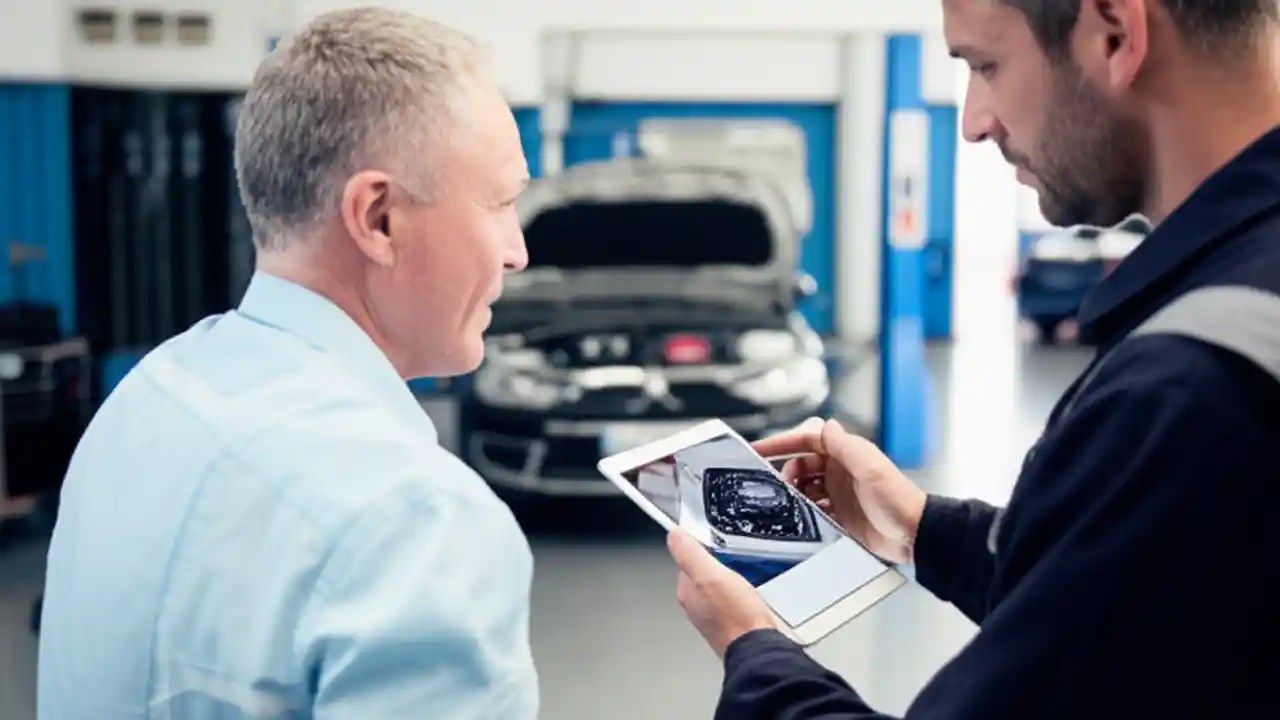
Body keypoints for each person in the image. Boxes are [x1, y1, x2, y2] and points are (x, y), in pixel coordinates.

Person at [667, 1, 1280, 717]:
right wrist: (926, 531)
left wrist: (753, 649)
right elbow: (1158, 616)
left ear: (1115, 31)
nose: (974, 121)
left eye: (984, 66)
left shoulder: (1192, 389)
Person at [38, 8, 538, 718]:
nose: (517, 251)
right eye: (501, 203)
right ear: (378, 218)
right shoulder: (419, 522)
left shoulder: (152, 394)